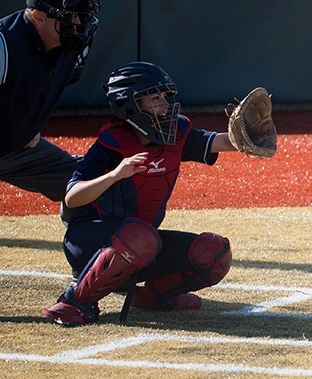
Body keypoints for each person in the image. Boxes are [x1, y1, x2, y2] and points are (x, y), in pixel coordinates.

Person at [42, 62, 249, 326]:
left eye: (165, 97)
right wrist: (115, 174)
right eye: (155, 98)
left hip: (141, 241)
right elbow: (72, 197)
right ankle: (73, 302)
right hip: (89, 241)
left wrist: (246, 133)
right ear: (130, 105)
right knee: (139, 236)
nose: (164, 104)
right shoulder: (111, 144)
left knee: (213, 253)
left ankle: (151, 297)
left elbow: (222, 141)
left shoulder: (175, 134)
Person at [0, 0, 99, 202]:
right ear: (38, 17)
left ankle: (86, 235)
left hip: (17, 150)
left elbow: (37, 88)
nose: (78, 25)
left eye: (80, 16)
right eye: (69, 17)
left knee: (95, 182)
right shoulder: (0, 45)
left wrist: (24, 128)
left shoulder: (72, 47)